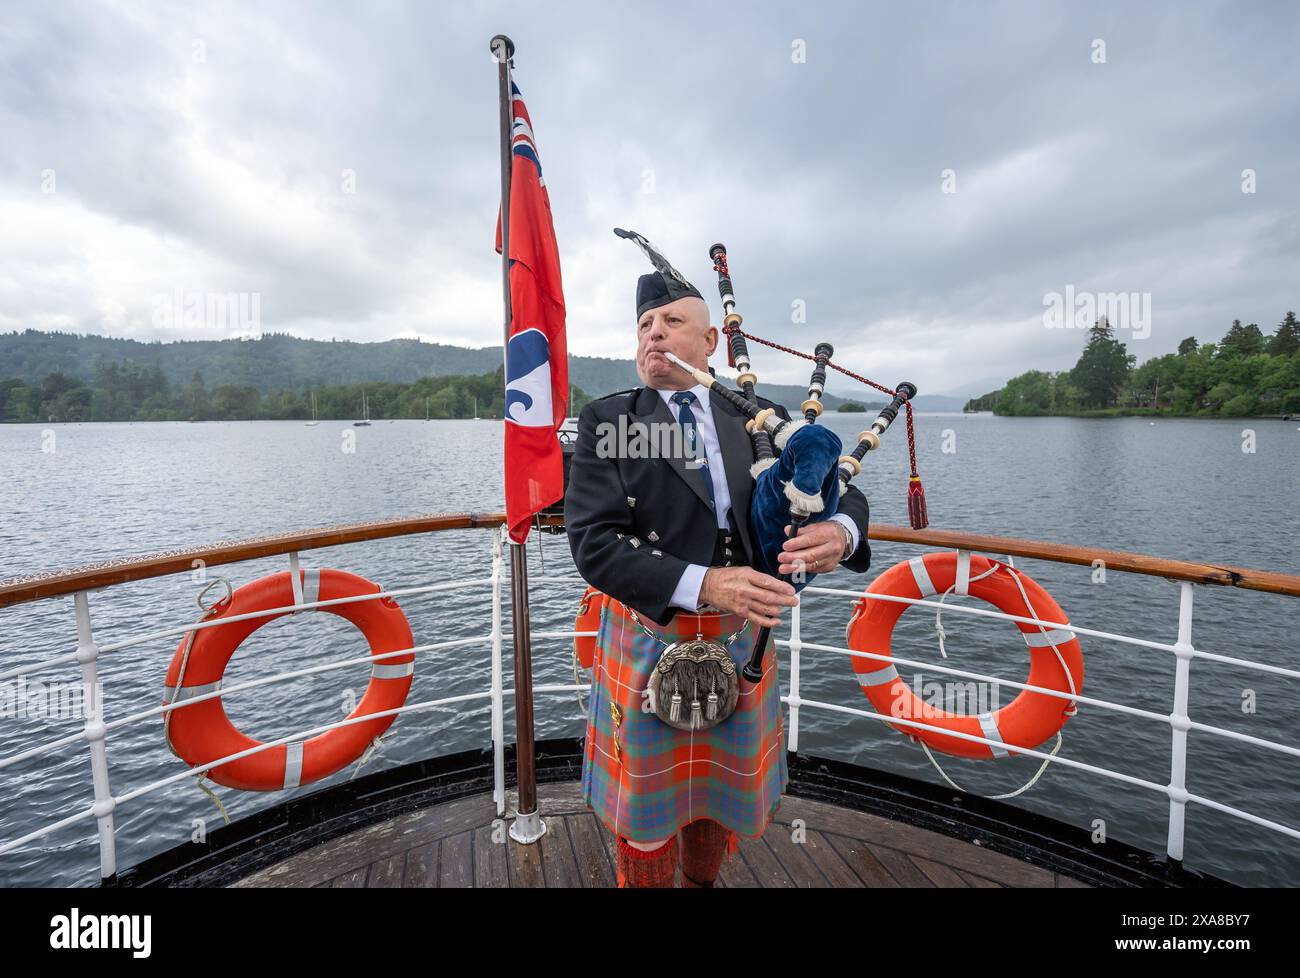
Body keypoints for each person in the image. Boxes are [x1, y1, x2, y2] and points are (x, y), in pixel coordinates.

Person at [564, 231, 874, 887]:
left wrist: (841, 531)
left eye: (672, 321)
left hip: (744, 646)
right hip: (651, 640)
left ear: (710, 343)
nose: (654, 334)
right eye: (644, 325)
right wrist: (707, 583)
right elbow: (594, 543)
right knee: (645, 818)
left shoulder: (763, 415)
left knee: (716, 803)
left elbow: (840, 490)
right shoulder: (609, 420)